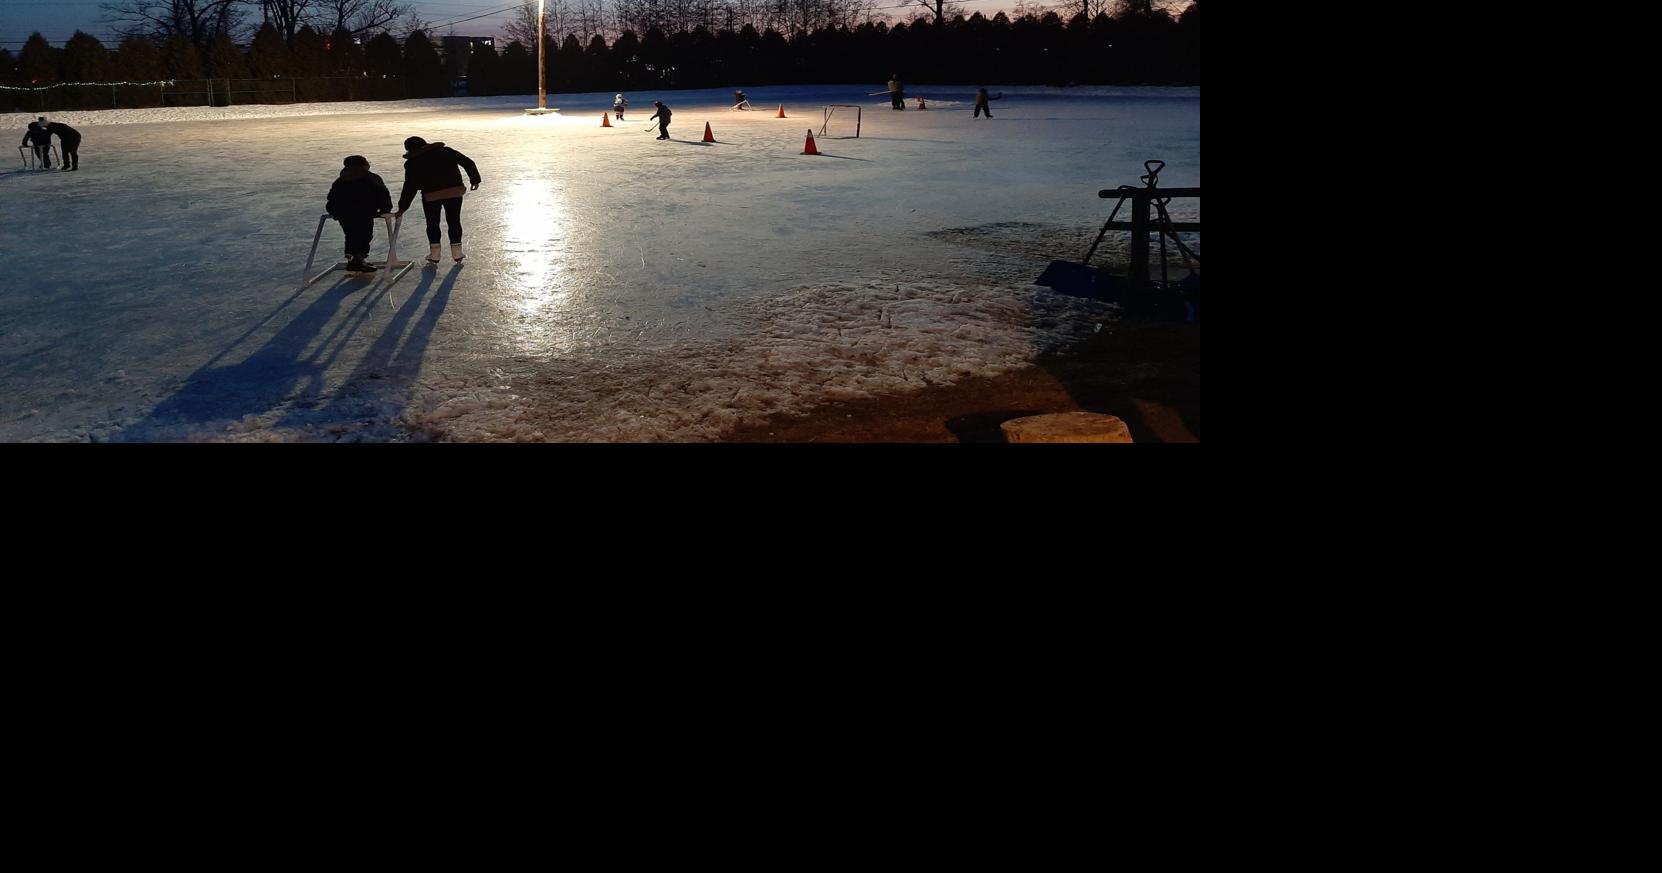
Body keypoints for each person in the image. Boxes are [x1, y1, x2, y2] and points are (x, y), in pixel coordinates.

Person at [392, 136, 481, 264]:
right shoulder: (446, 151)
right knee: (454, 221)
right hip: (454, 191)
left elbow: (410, 186)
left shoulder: (412, 162)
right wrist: (475, 180)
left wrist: (402, 207)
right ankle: (457, 253)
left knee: (433, 223)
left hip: (431, 195)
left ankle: (435, 255)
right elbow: (467, 162)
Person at [326, 155, 394, 273]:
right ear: (363, 165)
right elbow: (383, 194)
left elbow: (331, 197)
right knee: (364, 235)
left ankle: (353, 260)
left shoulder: (341, 179)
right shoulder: (371, 177)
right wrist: (385, 210)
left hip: (343, 213)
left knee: (351, 234)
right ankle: (358, 260)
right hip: (364, 212)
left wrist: (334, 211)